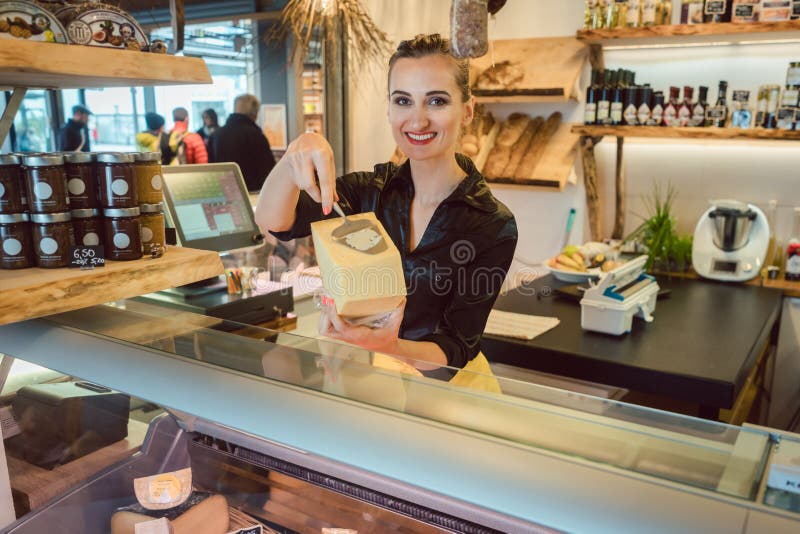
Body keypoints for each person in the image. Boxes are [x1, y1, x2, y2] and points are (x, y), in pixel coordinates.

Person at [256, 34, 518, 376]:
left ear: (468, 110)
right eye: (403, 101)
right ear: (389, 108)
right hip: (363, 381)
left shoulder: (492, 224)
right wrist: (298, 151)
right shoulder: (369, 193)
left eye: (436, 101)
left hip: (440, 394)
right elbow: (274, 221)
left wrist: (388, 346)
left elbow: (456, 346)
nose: (418, 120)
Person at [208, 94, 276, 192]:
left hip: (224, 193)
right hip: (252, 193)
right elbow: (267, 171)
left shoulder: (216, 135)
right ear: (255, 113)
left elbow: (212, 169)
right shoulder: (256, 136)